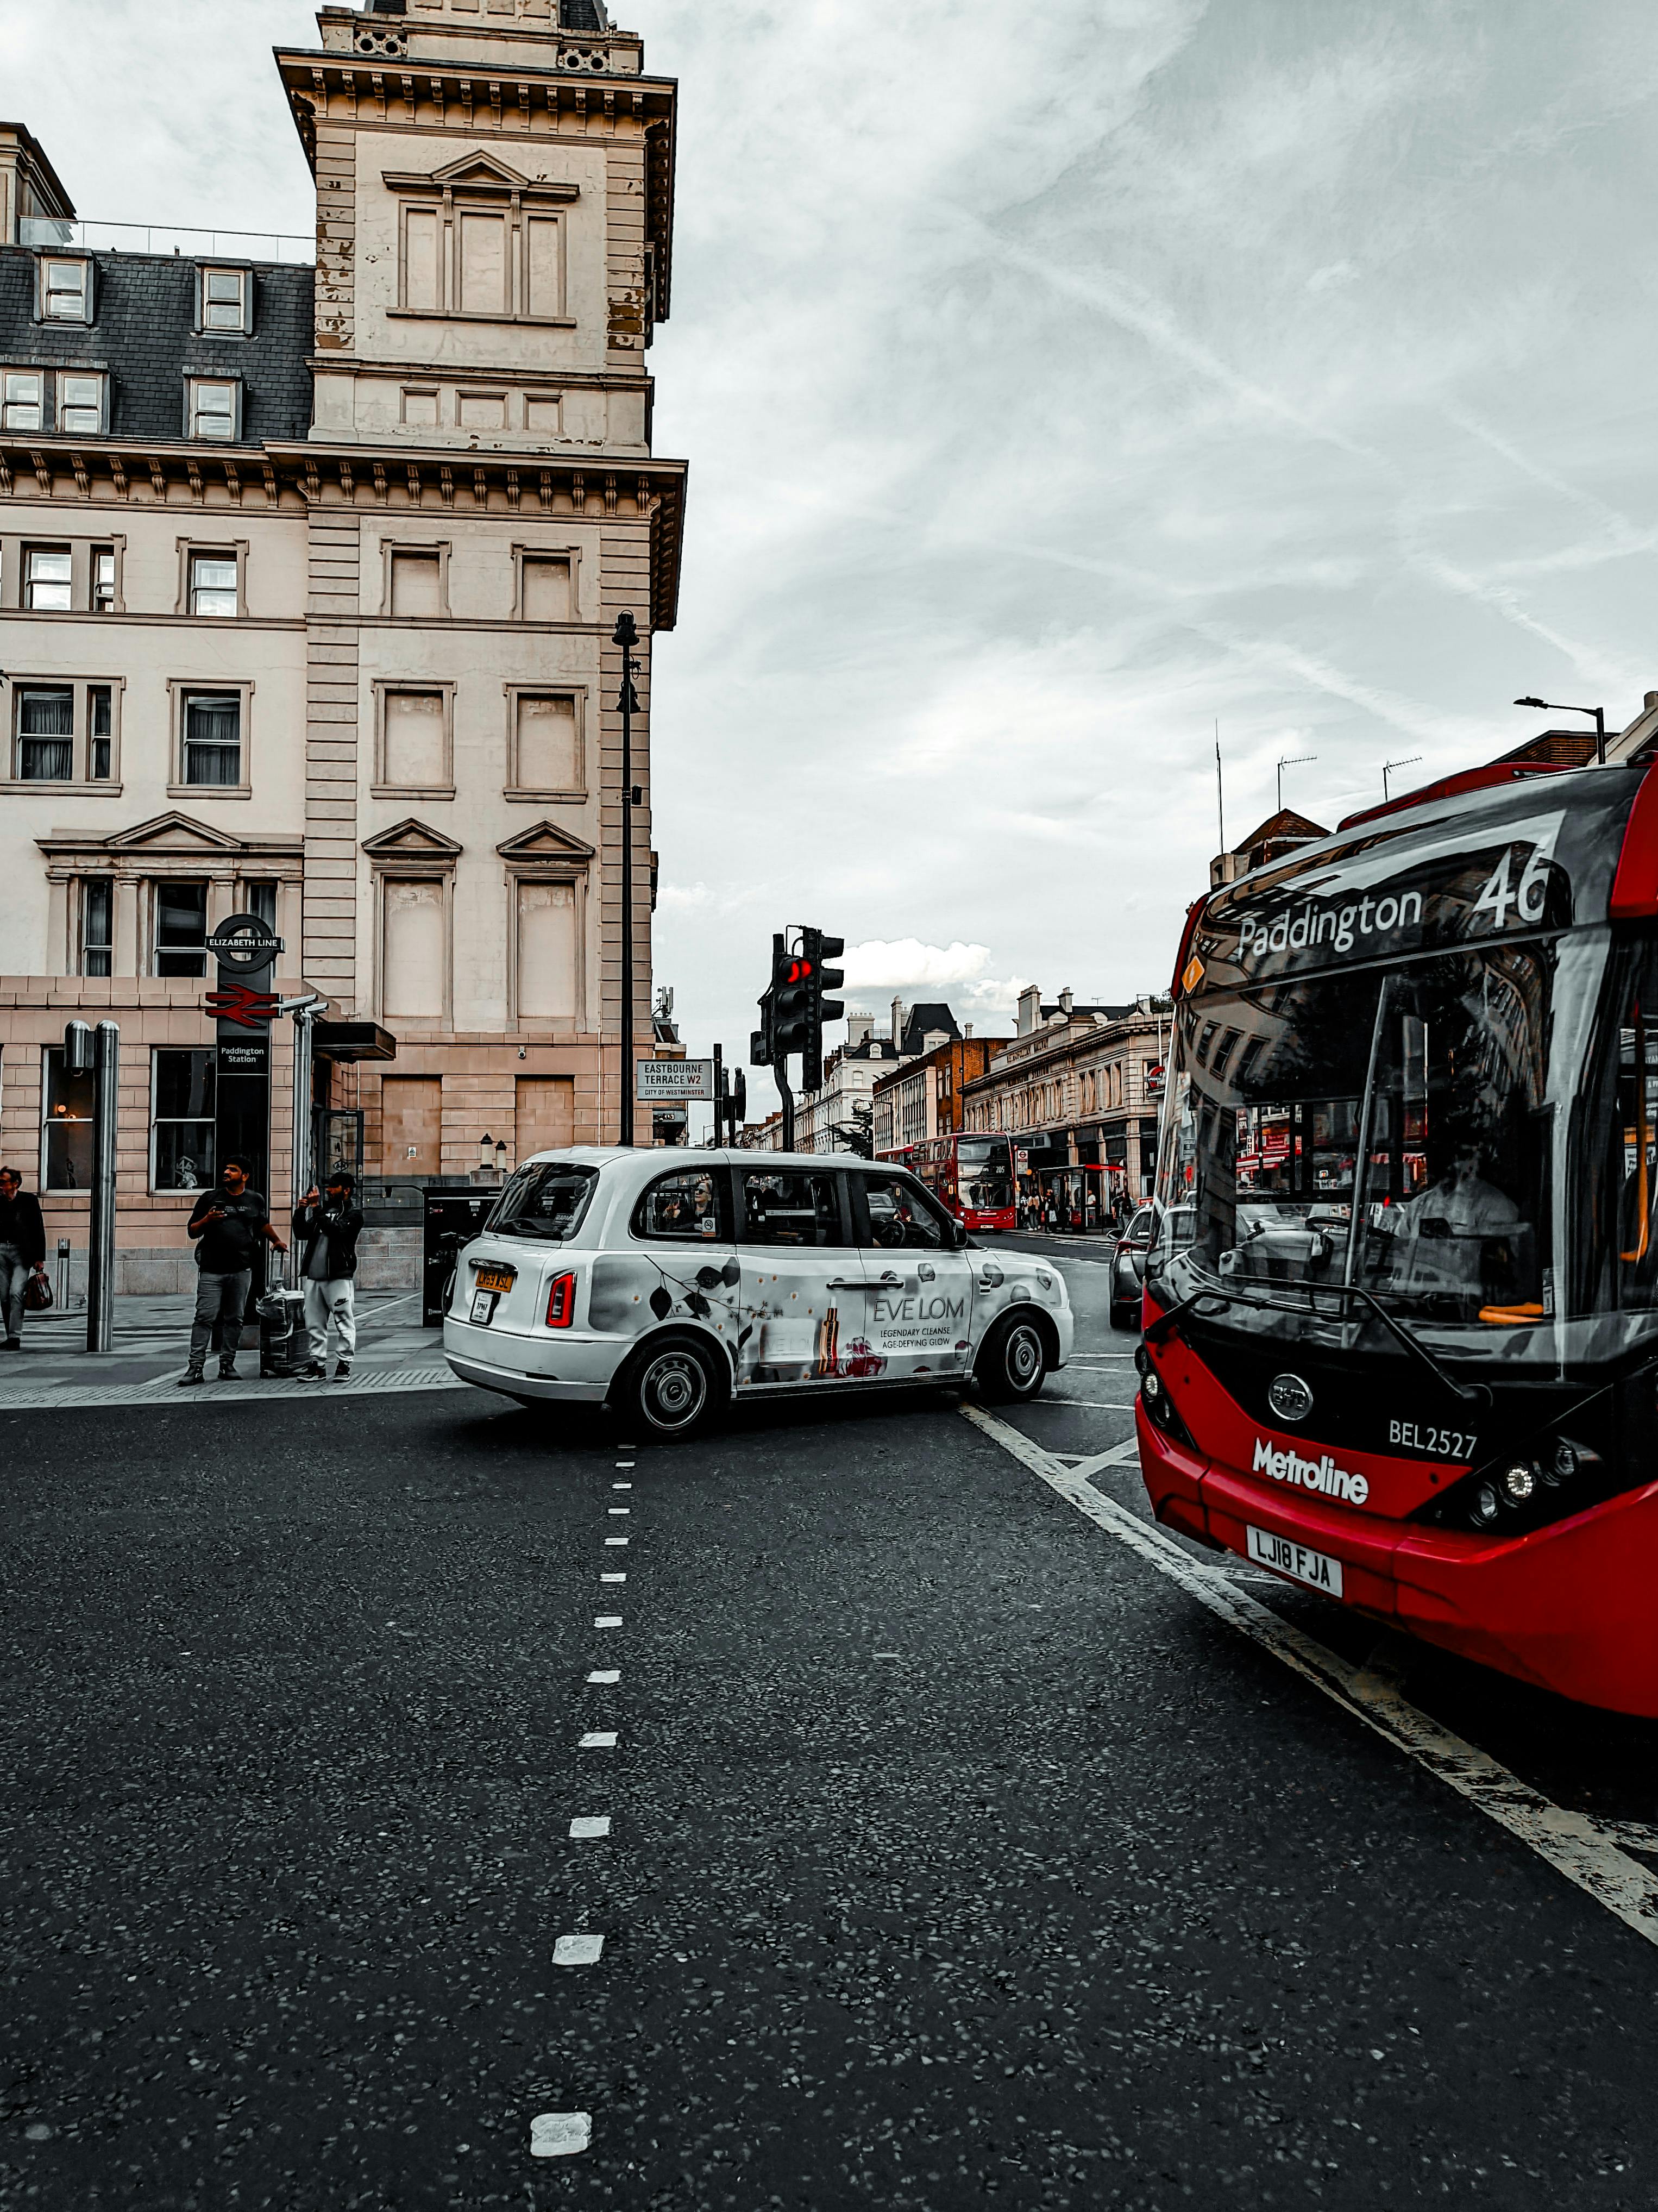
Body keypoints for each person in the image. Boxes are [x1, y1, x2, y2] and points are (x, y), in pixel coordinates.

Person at [180, 1156, 286, 1386]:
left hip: (242, 1269)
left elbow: (261, 1224)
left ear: (245, 1176)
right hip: (212, 1270)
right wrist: (208, 1219)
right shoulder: (210, 1198)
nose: (227, 1172)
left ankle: (227, 1364)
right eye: (226, 1168)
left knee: (235, 1319)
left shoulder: (255, 1200)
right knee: (204, 1317)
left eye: (233, 1170)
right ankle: (195, 1368)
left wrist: (276, 1241)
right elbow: (192, 1231)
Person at [292, 1171, 363, 1381]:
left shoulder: (354, 1214)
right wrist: (301, 1210)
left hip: (339, 1276)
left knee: (343, 1320)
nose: (329, 1190)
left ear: (347, 1190)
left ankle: (344, 1364)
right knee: (314, 1322)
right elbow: (301, 1233)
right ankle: (317, 1365)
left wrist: (315, 1209)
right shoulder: (322, 1212)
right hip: (314, 1277)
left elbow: (336, 1231)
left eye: (334, 1187)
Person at [0, 1167, 47, 1351]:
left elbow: (38, 1229)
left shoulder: (28, 1201)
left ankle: (15, 1337)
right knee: (4, 1296)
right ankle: (9, 1335)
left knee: (16, 1292)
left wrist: (39, 1258)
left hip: (22, 1253)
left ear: (15, 1184)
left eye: (3, 1182)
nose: (1, 1186)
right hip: (1, 1250)